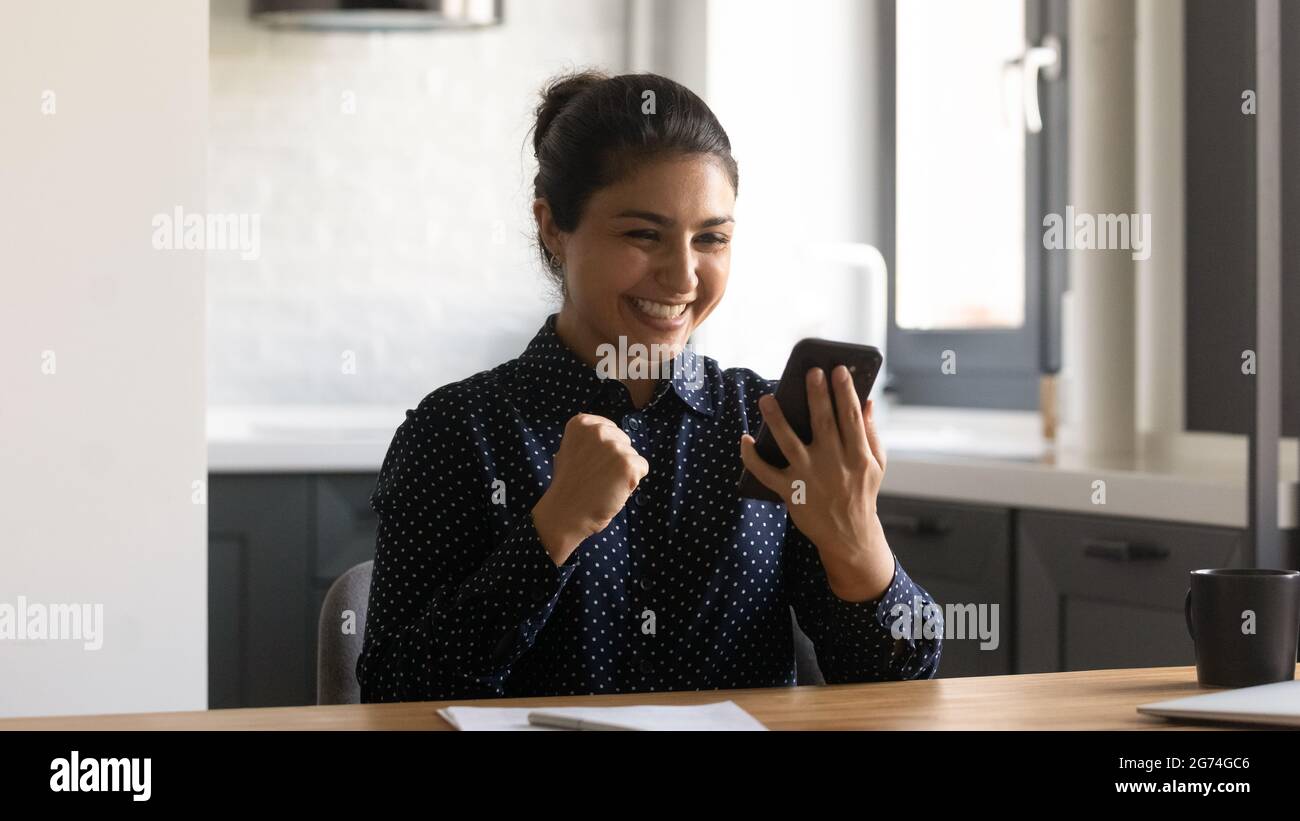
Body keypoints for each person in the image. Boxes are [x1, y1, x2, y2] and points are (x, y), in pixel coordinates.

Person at [356, 69, 943, 702]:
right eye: (643, 235)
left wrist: (856, 539)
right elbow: (393, 696)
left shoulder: (770, 426)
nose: (683, 275)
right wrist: (551, 530)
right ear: (554, 227)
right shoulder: (457, 432)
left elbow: (898, 686)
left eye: (711, 238)